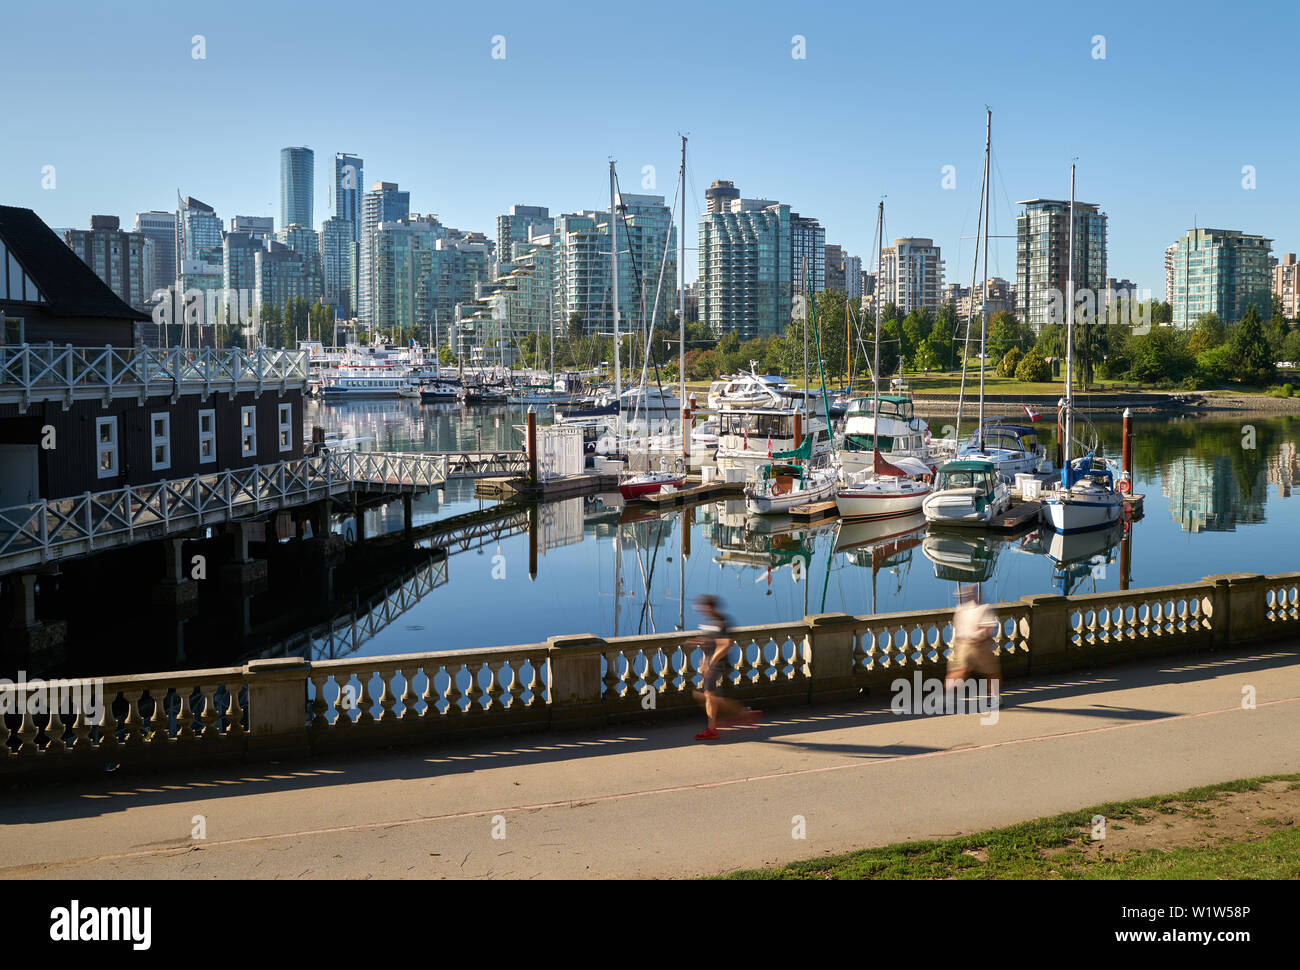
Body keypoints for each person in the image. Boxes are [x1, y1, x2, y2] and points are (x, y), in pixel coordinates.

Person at [691, 594, 760, 740]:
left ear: (709, 607)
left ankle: (712, 729)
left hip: (719, 663)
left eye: (702, 607)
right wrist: (702, 650)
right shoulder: (709, 621)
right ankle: (743, 713)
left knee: (708, 695)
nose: (700, 610)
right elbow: (711, 641)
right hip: (711, 662)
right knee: (706, 695)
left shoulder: (722, 622)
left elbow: (726, 644)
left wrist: (710, 662)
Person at [947, 585, 1001, 700]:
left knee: (959, 672)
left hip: (963, 645)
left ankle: (948, 697)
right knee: (992, 673)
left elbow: (957, 631)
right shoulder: (984, 608)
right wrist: (979, 635)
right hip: (978, 646)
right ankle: (996, 697)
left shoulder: (961, 610)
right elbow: (989, 627)